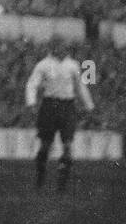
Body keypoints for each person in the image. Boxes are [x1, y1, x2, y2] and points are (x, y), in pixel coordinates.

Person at [24, 38, 94, 190]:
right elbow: (32, 83)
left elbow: (80, 86)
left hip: (67, 106)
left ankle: (62, 182)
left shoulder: (73, 65)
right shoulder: (43, 64)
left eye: (62, 46)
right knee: (45, 145)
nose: (60, 48)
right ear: (53, 47)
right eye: (57, 46)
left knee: (67, 144)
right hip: (49, 105)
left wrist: (89, 105)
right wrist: (31, 103)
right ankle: (40, 175)